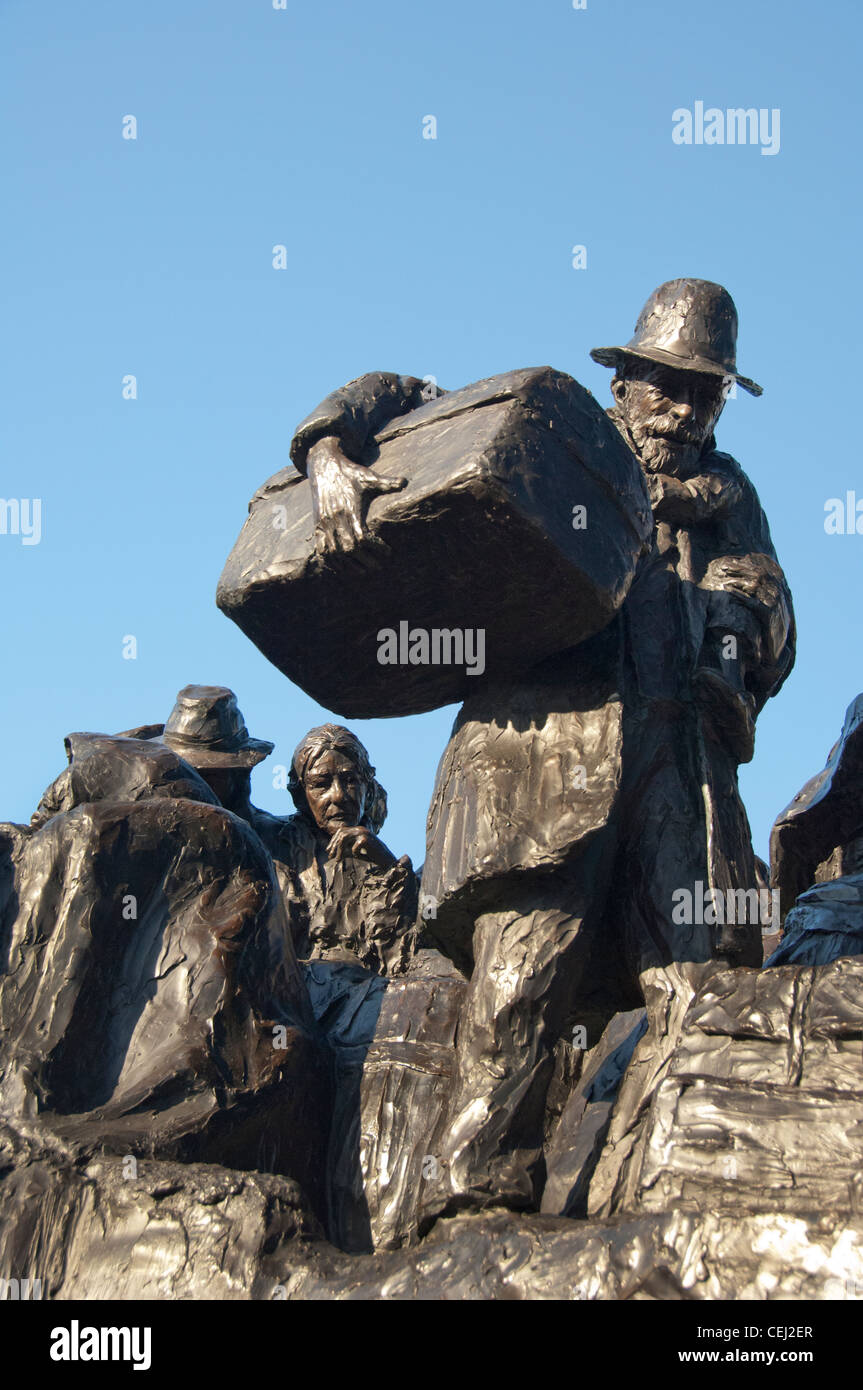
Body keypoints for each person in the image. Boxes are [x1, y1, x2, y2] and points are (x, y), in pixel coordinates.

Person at [285, 280, 795, 1218]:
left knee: (690, 991)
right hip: (544, 759)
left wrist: (744, 618)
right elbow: (398, 395)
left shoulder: (727, 499)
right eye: (670, 388)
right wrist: (324, 453)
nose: (687, 412)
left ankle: (673, 1194)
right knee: (521, 985)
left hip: (676, 767)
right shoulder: (558, 436)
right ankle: (470, 1204)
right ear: (627, 380)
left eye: (706, 395)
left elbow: (772, 607)